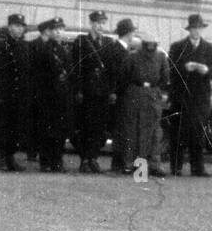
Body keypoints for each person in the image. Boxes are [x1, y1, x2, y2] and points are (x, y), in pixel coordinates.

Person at [167, 13, 212, 176]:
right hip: (182, 95)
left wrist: (207, 70)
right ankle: (176, 167)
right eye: (193, 28)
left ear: (202, 29)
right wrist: (185, 68)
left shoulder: (210, 48)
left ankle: (198, 168)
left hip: (200, 97)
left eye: (199, 28)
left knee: (198, 132)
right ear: (189, 29)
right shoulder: (177, 46)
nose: (196, 31)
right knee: (178, 132)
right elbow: (170, 68)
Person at [72, 10, 117, 174]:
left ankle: (94, 158)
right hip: (87, 91)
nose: (100, 26)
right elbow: (76, 68)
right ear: (91, 24)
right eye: (97, 23)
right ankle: (84, 159)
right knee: (85, 127)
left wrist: (112, 90)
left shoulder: (108, 42)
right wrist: (78, 90)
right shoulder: (82, 42)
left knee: (100, 128)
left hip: (103, 93)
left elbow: (112, 69)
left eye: (103, 23)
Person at [118, 31, 169, 177]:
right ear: (143, 44)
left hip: (153, 95)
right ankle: (129, 164)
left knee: (154, 132)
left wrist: (157, 90)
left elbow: (165, 77)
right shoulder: (132, 56)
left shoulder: (160, 57)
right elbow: (124, 76)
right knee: (132, 131)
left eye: (154, 44)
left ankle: (154, 164)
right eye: (148, 44)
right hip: (134, 94)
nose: (151, 47)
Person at [32, 17, 72, 173]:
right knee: (46, 131)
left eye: (61, 29)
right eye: (55, 29)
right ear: (50, 31)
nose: (58, 32)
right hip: (47, 95)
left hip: (62, 97)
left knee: (60, 131)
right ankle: (45, 161)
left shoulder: (64, 50)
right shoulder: (43, 48)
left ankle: (57, 160)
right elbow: (38, 73)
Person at [0, 13, 30, 172]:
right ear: (9, 27)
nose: (19, 29)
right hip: (3, 93)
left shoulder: (24, 46)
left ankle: (10, 157)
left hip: (18, 94)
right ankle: (1, 159)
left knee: (15, 128)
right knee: (2, 128)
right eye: (16, 26)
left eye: (21, 26)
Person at [109, 18, 138, 173]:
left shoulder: (124, 49)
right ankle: (118, 162)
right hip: (121, 95)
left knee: (122, 130)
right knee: (121, 130)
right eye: (132, 31)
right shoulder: (118, 50)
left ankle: (119, 162)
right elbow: (117, 75)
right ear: (128, 33)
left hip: (123, 95)